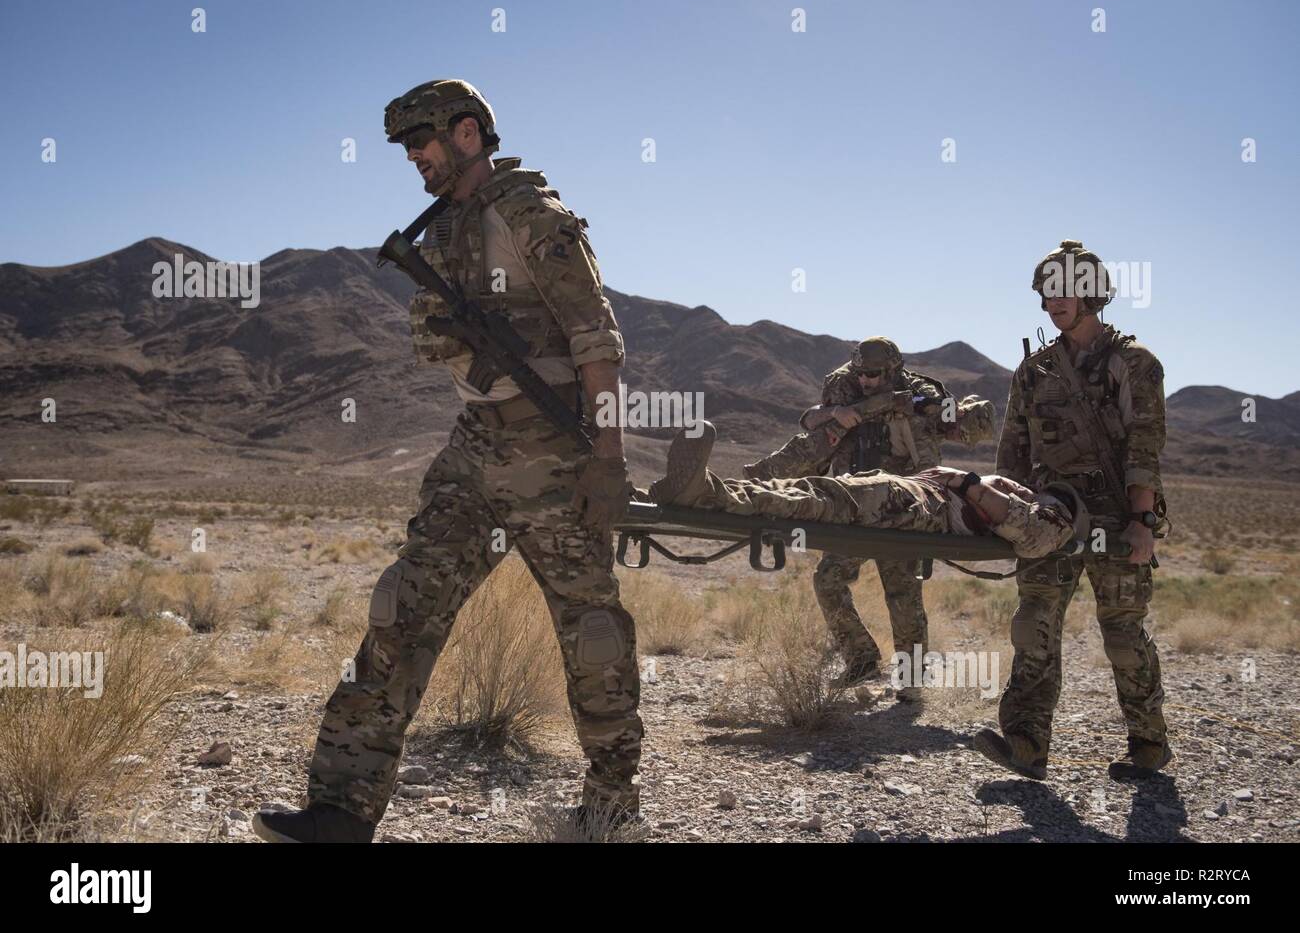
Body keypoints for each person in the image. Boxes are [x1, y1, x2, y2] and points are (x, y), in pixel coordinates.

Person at [254, 80, 643, 843]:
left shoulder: (536, 218)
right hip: (476, 446)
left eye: (420, 142)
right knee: (401, 609)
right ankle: (340, 810)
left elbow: (597, 340)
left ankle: (611, 810)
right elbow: (435, 344)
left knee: (592, 636)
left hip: (557, 456)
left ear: (466, 133)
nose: (413, 159)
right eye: (405, 148)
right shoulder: (440, 234)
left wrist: (608, 457)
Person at [972, 239, 1171, 783]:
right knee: (1033, 624)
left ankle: (1149, 745)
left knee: (1123, 635)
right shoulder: (1033, 371)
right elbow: (1012, 453)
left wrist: (1141, 522)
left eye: (1063, 291)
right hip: (1050, 516)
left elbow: (1143, 448)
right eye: (1045, 292)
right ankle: (1026, 743)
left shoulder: (1134, 363)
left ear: (1091, 295)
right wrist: (1005, 515)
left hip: (1116, 515)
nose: (1051, 301)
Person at [744, 337, 995, 693]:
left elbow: (961, 423)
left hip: (902, 509)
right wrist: (835, 414)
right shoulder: (845, 390)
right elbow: (812, 427)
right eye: (861, 374)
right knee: (828, 580)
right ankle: (861, 659)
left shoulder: (918, 391)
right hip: (854, 508)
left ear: (892, 371)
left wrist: (934, 410)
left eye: (874, 375)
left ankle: (911, 680)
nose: (866, 381)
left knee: (903, 594)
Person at [648, 421, 1080, 568]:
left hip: (923, 507)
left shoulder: (1057, 517)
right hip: (915, 495)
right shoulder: (1036, 498)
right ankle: (699, 490)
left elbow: (1033, 538)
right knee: (813, 493)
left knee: (820, 500)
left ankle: (706, 494)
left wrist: (966, 482)